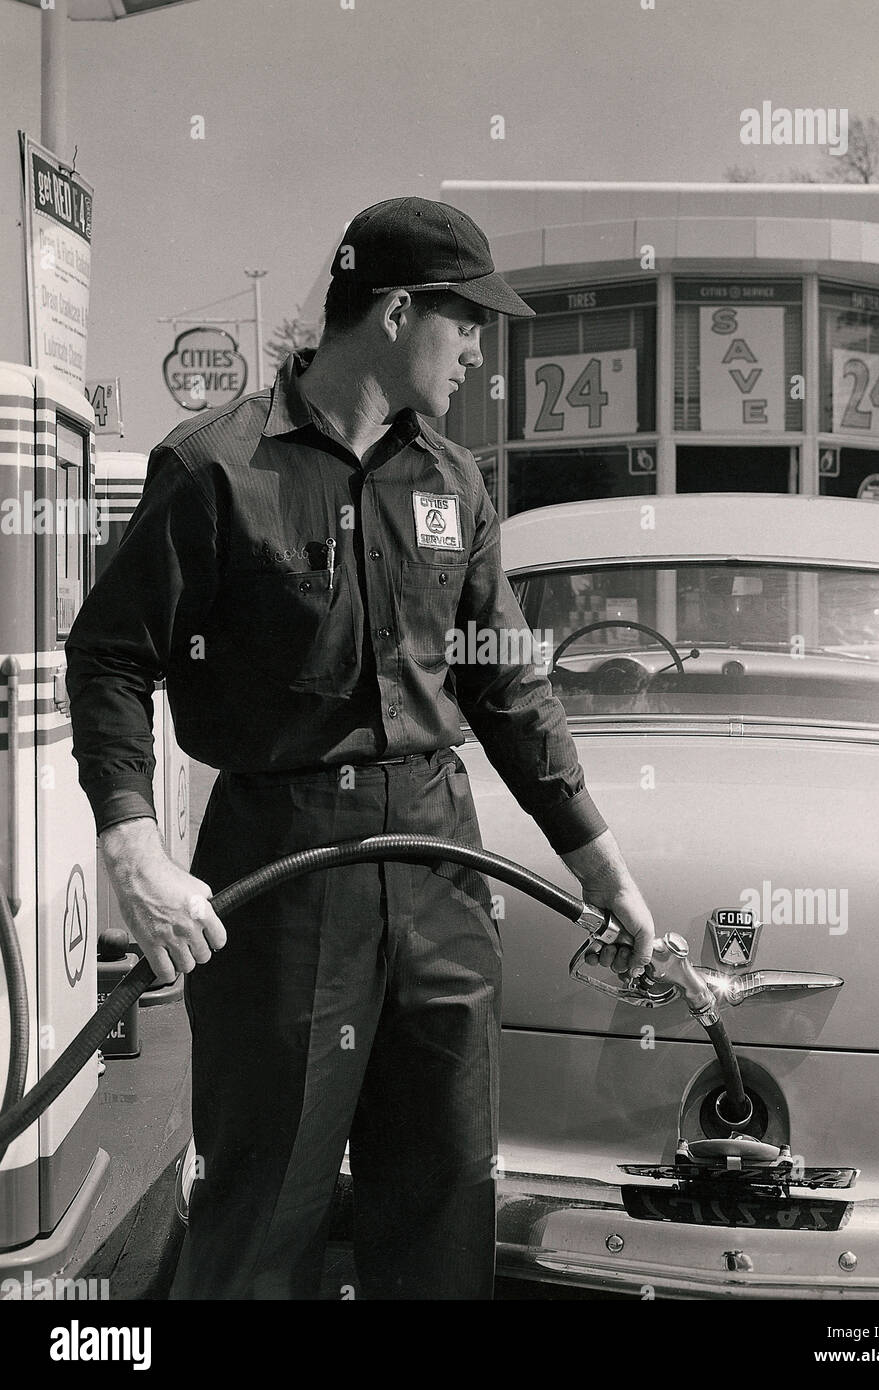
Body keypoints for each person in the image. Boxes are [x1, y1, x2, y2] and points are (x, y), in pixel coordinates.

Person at [66, 196, 656, 1301]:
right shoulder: (214, 470)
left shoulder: (453, 482)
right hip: (285, 864)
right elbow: (109, 658)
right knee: (267, 1203)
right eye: (467, 322)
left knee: (442, 1192)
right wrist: (136, 850)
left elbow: (508, 689)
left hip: (439, 861)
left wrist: (606, 876)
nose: (480, 351)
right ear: (394, 312)